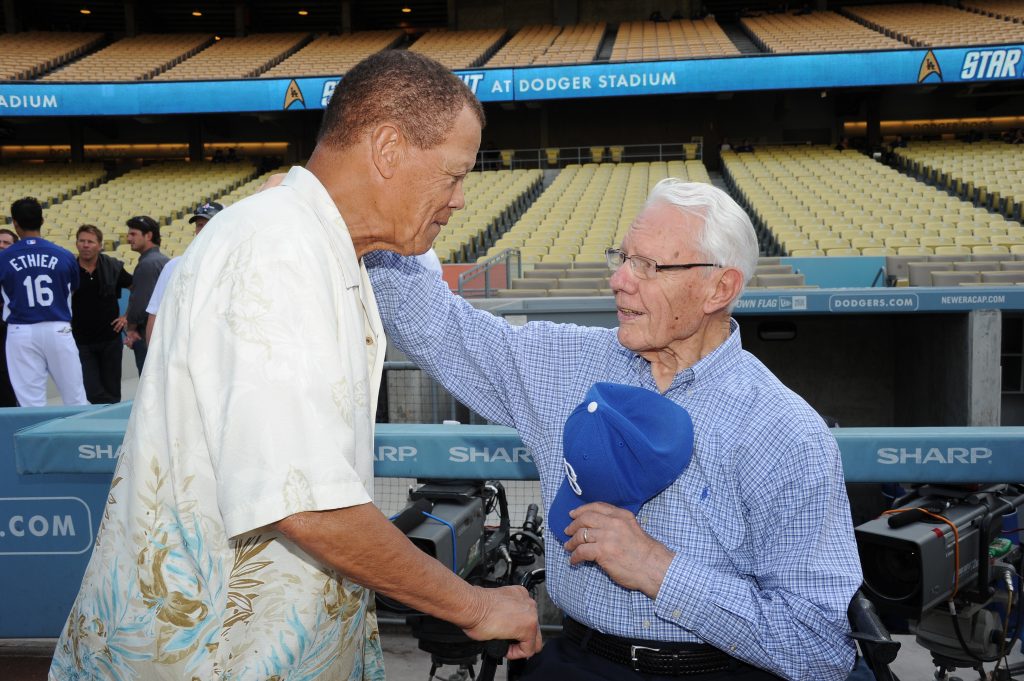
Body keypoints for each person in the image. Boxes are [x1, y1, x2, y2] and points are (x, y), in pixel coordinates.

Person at [49, 50, 540, 681]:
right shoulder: (274, 251)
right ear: (387, 149)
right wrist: (473, 606)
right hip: (207, 658)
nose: (461, 199)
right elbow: (304, 503)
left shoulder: (321, 246)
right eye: (453, 175)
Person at [364, 179, 862, 680]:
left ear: (720, 288)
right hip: (575, 658)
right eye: (623, 257)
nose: (621, 279)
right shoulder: (567, 363)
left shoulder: (785, 431)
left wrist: (659, 570)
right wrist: (368, 209)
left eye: (650, 266)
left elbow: (819, 646)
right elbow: (434, 323)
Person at [0, 197, 88, 407]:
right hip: (58, 327)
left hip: (20, 330)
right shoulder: (65, 255)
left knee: (30, 403)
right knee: (75, 397)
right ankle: (79, 439)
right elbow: (72, 289)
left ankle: (34, 441)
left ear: (16, 223)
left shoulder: (4, 258)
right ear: (42, 219)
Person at [144, 201, 222, 344]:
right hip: (180, 349)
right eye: (199, 225)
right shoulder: (174, 266)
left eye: (209, 223)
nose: (203, 229)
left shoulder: (232, 265)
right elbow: (155, 313)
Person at [72, 225, 133, 404]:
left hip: (110, 339)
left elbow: (136, 289)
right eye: (81, 241)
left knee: (113, 390)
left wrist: (126, 316)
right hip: (81, 341)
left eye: (90, 241)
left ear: (99, 245)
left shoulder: (112, 267)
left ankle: (111, 428)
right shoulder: (69, 270)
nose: (85, 245)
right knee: (92, 391)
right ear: (76, 244)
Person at [122, 214, 168, 374]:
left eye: (133, 234)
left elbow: (141, 303)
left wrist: (131, 329)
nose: (128, 238)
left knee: (149, 380)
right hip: (164, 331)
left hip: (146, 333)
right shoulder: (164, 260)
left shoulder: (147, 264)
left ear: (148, 235)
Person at [0, 227, 19, 407]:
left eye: (6, 243)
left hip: (11, 332)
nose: (1, 245)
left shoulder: (19, 272)